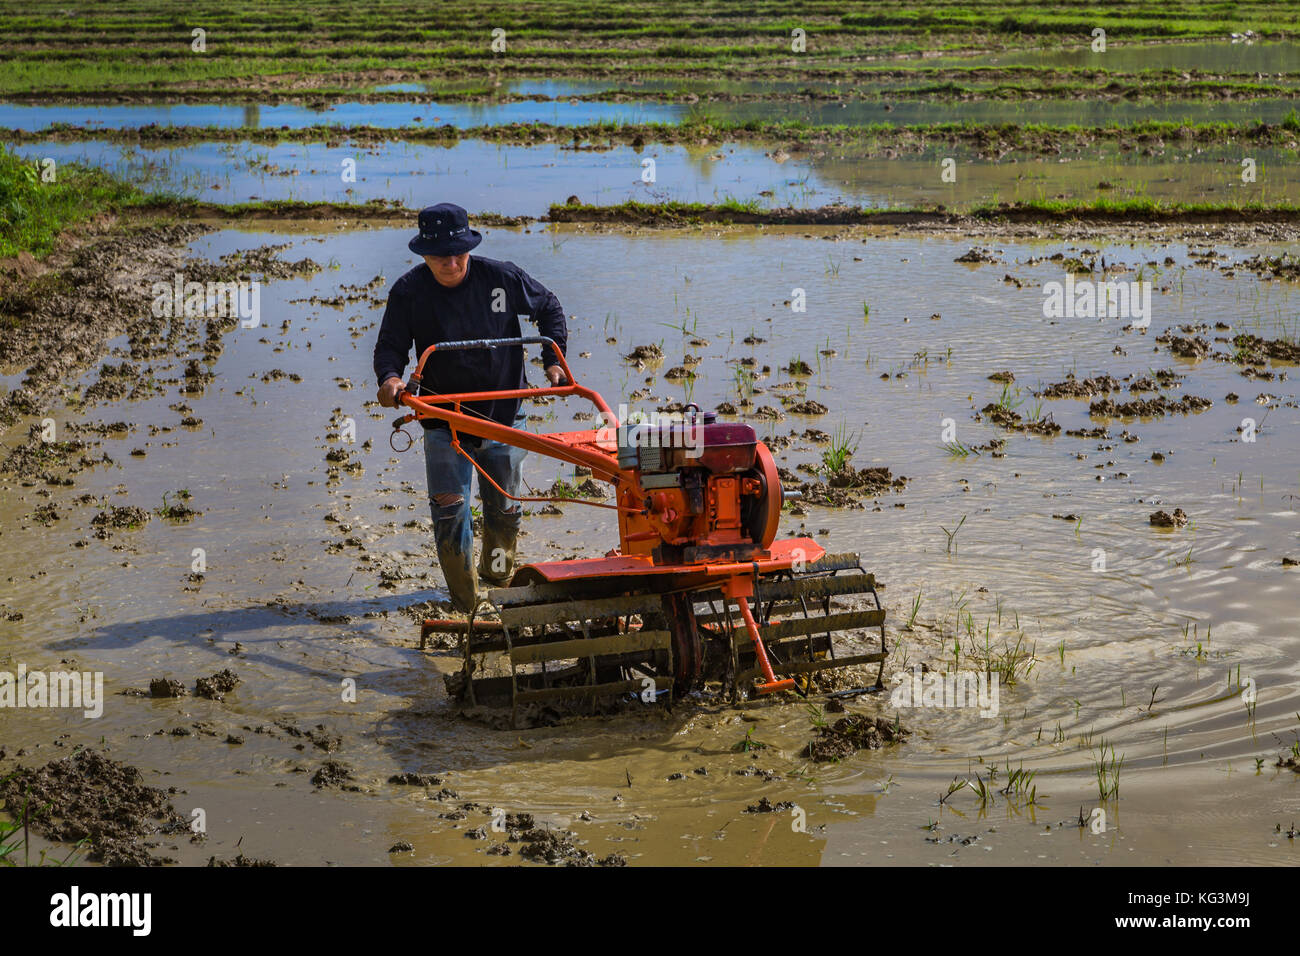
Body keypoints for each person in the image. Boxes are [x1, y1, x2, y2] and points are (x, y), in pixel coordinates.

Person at [373, 202, 567, 613]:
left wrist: (553, 361)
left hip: (504, 412)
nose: (452, 262)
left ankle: (497, 583)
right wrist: (390, 379)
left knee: (504, 510)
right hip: (444, 420)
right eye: (442, 256)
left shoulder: (501, 278)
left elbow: (548, 307)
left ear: (470, 247)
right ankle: (466, 604)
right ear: (424, 255)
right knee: (450, 513)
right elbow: (390, 346)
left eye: (459, 252)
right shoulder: (409, 292)